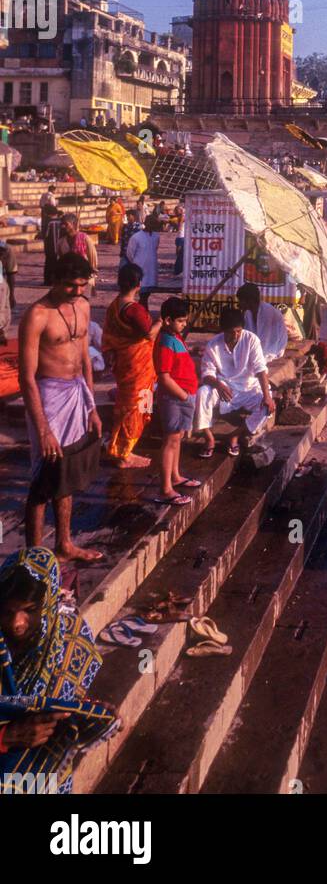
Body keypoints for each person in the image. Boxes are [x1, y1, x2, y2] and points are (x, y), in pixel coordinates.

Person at [0, 547, 120, 793]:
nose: (16, 623)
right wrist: (5, 737)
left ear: (48, 604)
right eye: (8, 611)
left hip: (47, 778)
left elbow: (65, 697)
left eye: (30, 610)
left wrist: (85, 709)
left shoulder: (70, 639)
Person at [18, 253, 103, 564]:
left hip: (76, 393)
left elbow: (85, 362)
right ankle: (35, 558)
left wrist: (92, 407)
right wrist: (43, 428)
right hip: (48, 396)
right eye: (70, 285)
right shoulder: (37, 315)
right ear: (55, 279)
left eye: (82, 285)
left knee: (66, 473)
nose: (77, 291)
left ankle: (65, 543)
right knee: (44, 477)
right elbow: (26, 377)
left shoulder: (82, 305)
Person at [194, 306, 276, 459]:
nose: (236, 335)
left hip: (248, 389)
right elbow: (206, 374)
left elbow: (260, 369)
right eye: (232, 332)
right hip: (224, 389)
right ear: (223, 330)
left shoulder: (251, 339)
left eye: (239, 331)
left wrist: (267, 396)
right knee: (202, 392)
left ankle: (235, 436)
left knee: (267, 406)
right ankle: (209, 438)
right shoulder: (213, 344)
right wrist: (219, 385)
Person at [102, 262, 161, 469]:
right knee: (135, 407)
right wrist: (161, 321)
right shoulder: (133, 310)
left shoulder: (115, 305)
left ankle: (121, 447)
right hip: (137, 365)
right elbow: (149, 333)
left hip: (125, 362)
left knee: (128, 405)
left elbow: (110, 335)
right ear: (138, 284)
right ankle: (124, 454)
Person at [152, 298, 201, 503]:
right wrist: (182, 395)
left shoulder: (175, 337)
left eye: (185, 321)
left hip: (184, 395)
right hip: (175, 398)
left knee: (177, 437)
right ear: (168, 320)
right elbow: (163, 376)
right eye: (180, 321)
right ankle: (165, 489)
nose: (184, 324)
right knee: (170, 440)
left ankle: (175, 475)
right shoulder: (164, 342)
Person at [235, 283, 288, 364]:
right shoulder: (247, 313)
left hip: (274, 349)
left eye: (241, 300)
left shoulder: (267, 311)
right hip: (260, 349)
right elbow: (247, 336)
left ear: (250, 300)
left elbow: (265, 342)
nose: (239, 304)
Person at [126, 214, 161, 307]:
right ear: (146, 223)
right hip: (139, 268)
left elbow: (155, 249)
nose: (152, 226)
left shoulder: (156, 236)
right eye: (151, 223)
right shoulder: (136, 237)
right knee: (142, 293)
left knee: (146, 294)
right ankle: (142, 311)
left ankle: (143, 310)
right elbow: (130, 254)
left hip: (151, 269)